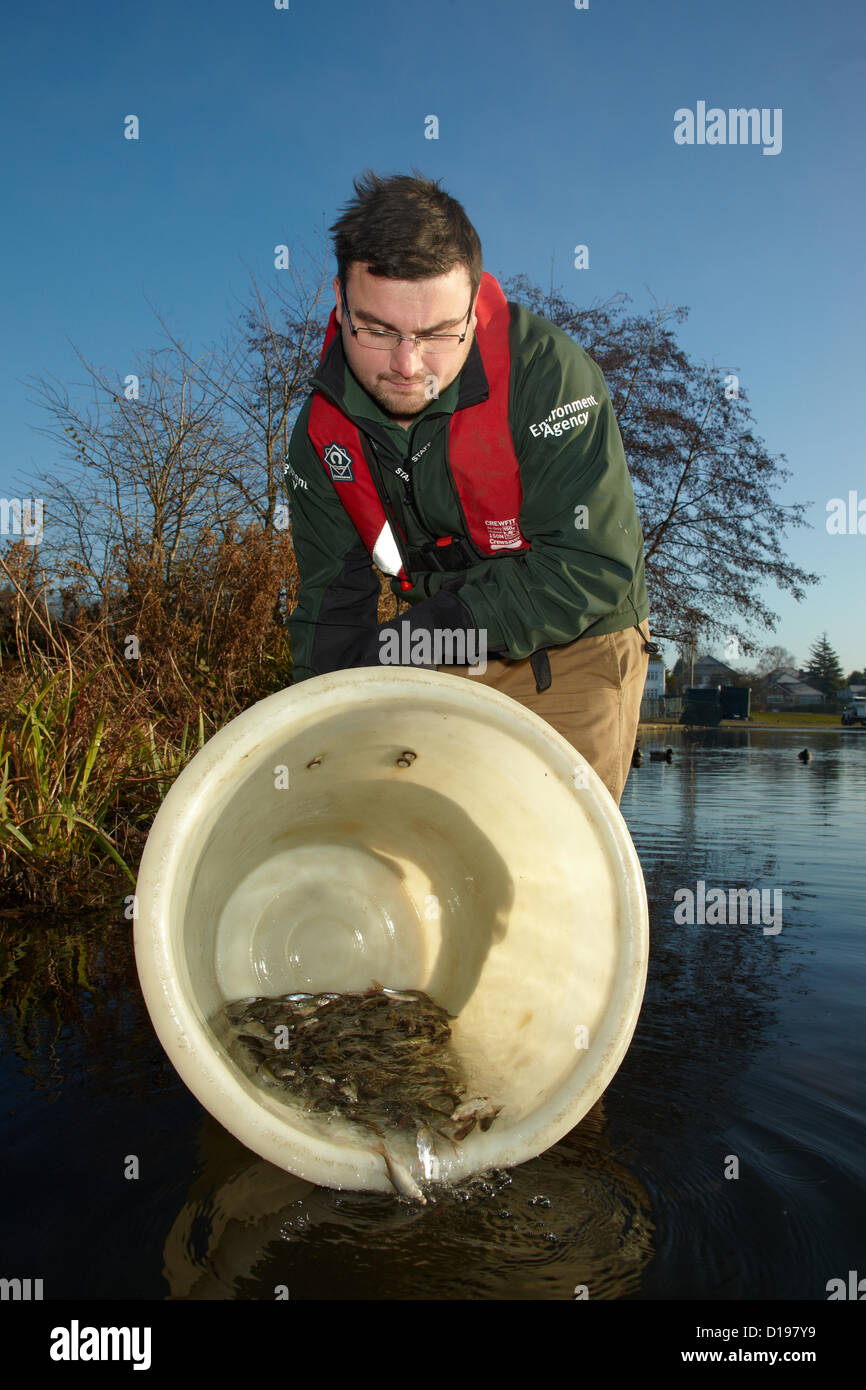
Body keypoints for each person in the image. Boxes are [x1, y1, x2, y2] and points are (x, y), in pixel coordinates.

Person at [284, 170, 655, 804]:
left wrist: (411, 639)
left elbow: (593, 564)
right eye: (376, 329)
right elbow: (330, 605)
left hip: (575, 633)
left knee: (549, 863)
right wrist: (307, 727)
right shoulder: (321, 436)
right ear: (341, 306)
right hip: (437, 636)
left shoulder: (549, 376)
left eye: (435, 334)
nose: (407, 365)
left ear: (472, 310)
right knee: (406, 836)